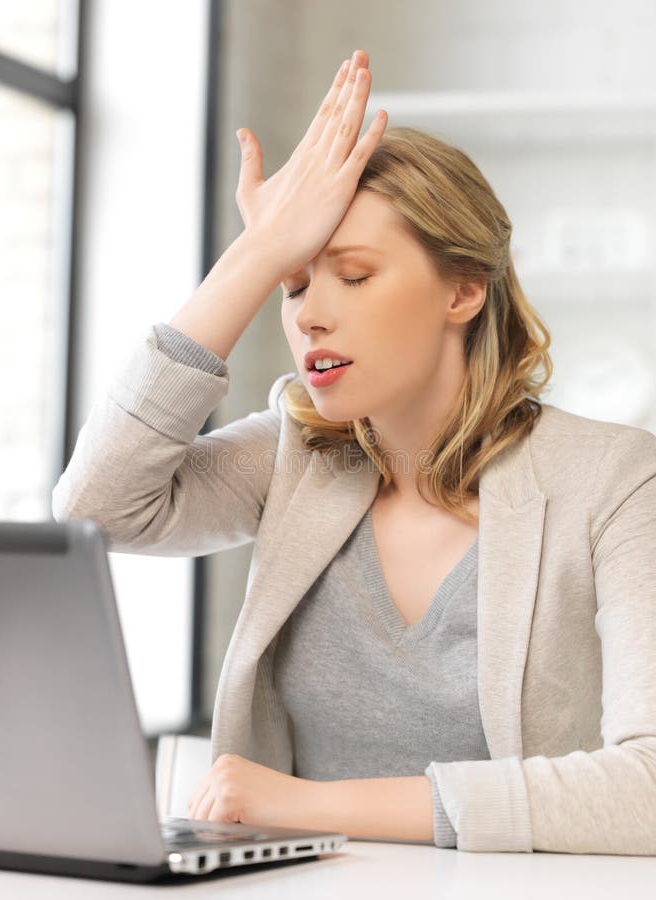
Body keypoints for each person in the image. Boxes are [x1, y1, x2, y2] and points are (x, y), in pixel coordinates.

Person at [52, 49, 656, 854]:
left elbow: (646, 790)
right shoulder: (291, 460)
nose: (308, 317)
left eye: (356, 276)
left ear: (463, 289)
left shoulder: (614, 480)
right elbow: (98, 509)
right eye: (296, 286)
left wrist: (305, 804)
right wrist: (255, 254)